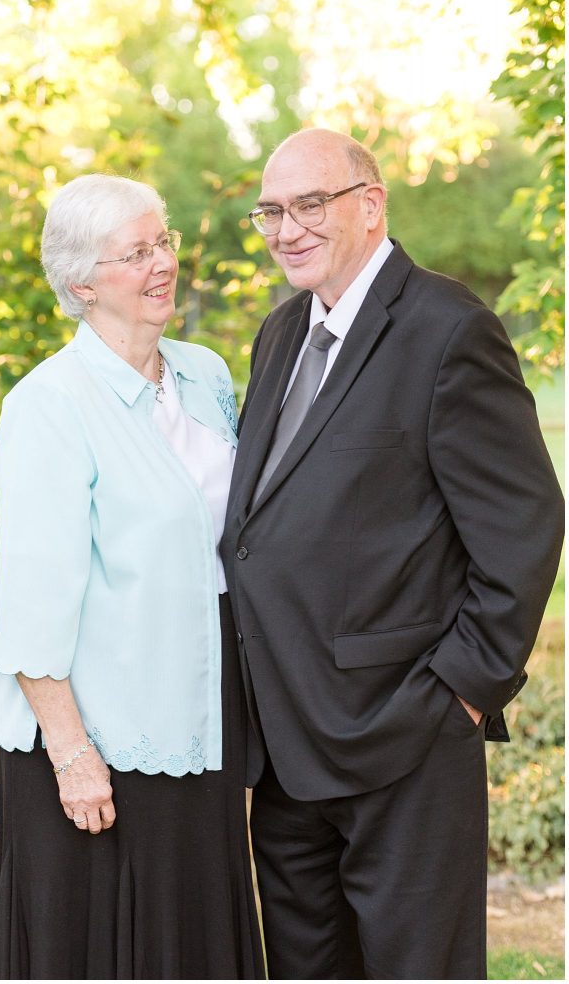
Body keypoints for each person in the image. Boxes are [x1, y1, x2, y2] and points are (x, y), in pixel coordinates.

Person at [221, 128, 564, 980]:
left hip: (404, 738)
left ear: (370, 205)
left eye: (309, 204)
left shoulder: (449, 329)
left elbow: (523, 524)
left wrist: (462, 692)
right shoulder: (278, 334)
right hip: (284, 747)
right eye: (271, 211)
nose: (286, 229)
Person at [0, 173, 265, 980]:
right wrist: (72, 754)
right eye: (136, 253)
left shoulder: (203, 374)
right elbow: (32, 602)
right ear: (82, 284)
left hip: (201, 713)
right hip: (97, 735)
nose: (162, 264)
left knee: (194, 937)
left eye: (163, 242)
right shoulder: (49, 404)